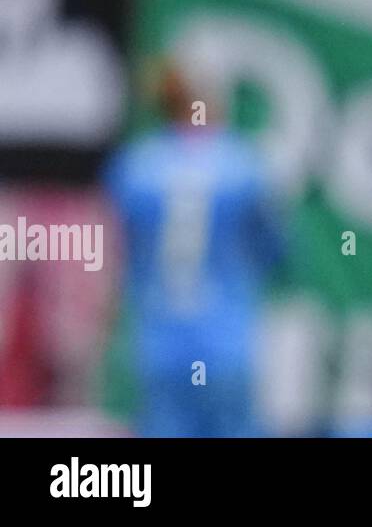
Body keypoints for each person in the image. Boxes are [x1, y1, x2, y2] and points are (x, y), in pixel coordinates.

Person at [104, 61, 283, 437]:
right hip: (225, 343)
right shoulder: (242, 165)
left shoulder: (135, 167)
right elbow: (275, 251)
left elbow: (117, 257)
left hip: (158, 343)